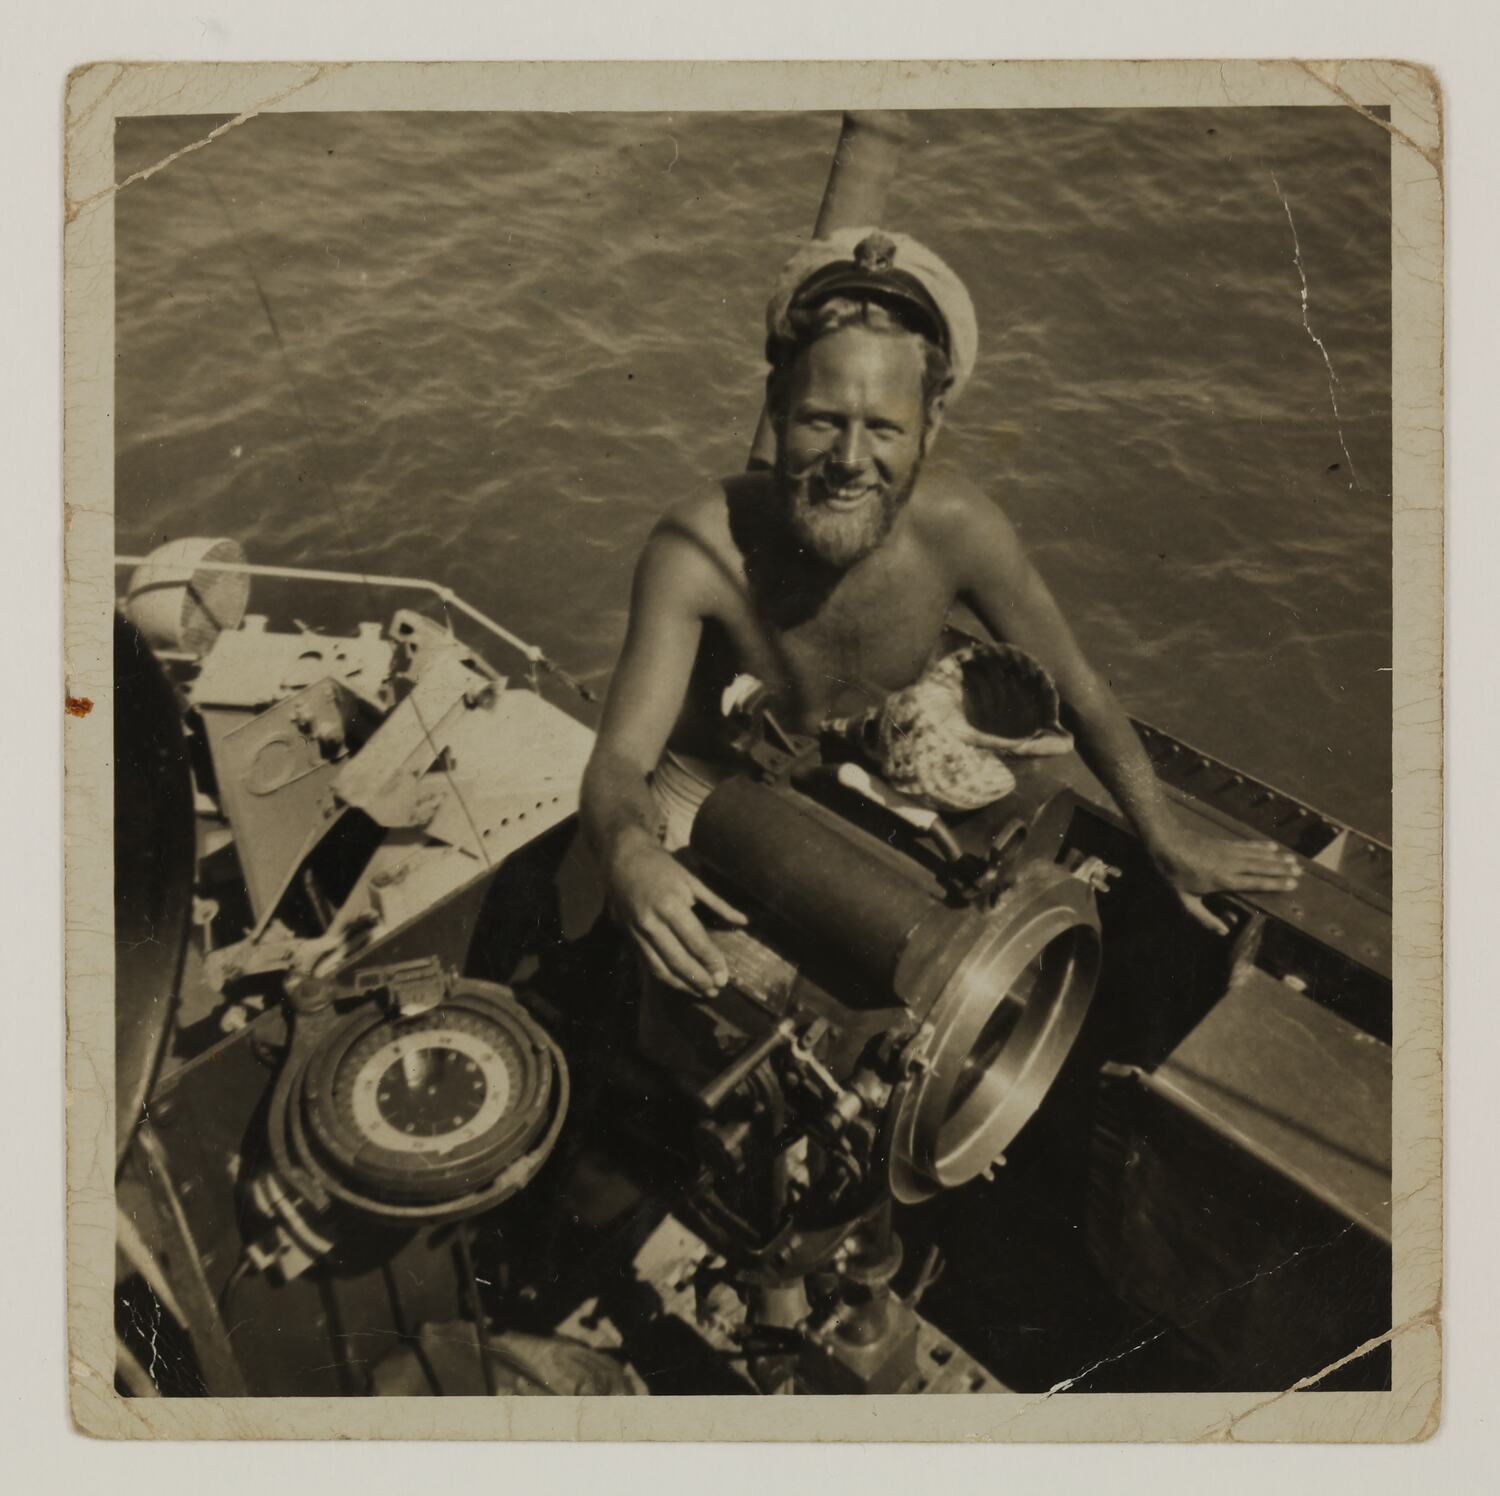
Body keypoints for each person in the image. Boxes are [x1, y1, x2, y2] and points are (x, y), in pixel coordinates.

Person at [580, 227, 1301, 997]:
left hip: (872, 781)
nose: (849, 460)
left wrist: (1165, 837)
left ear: (931, 428)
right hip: (707, 796)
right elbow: (620, 761)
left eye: (884, 428)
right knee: (688, 991)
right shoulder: (695, 550)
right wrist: (630, 851)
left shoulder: (962, 531)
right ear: (778, 407)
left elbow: (1083, 692)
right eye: (822, 419)